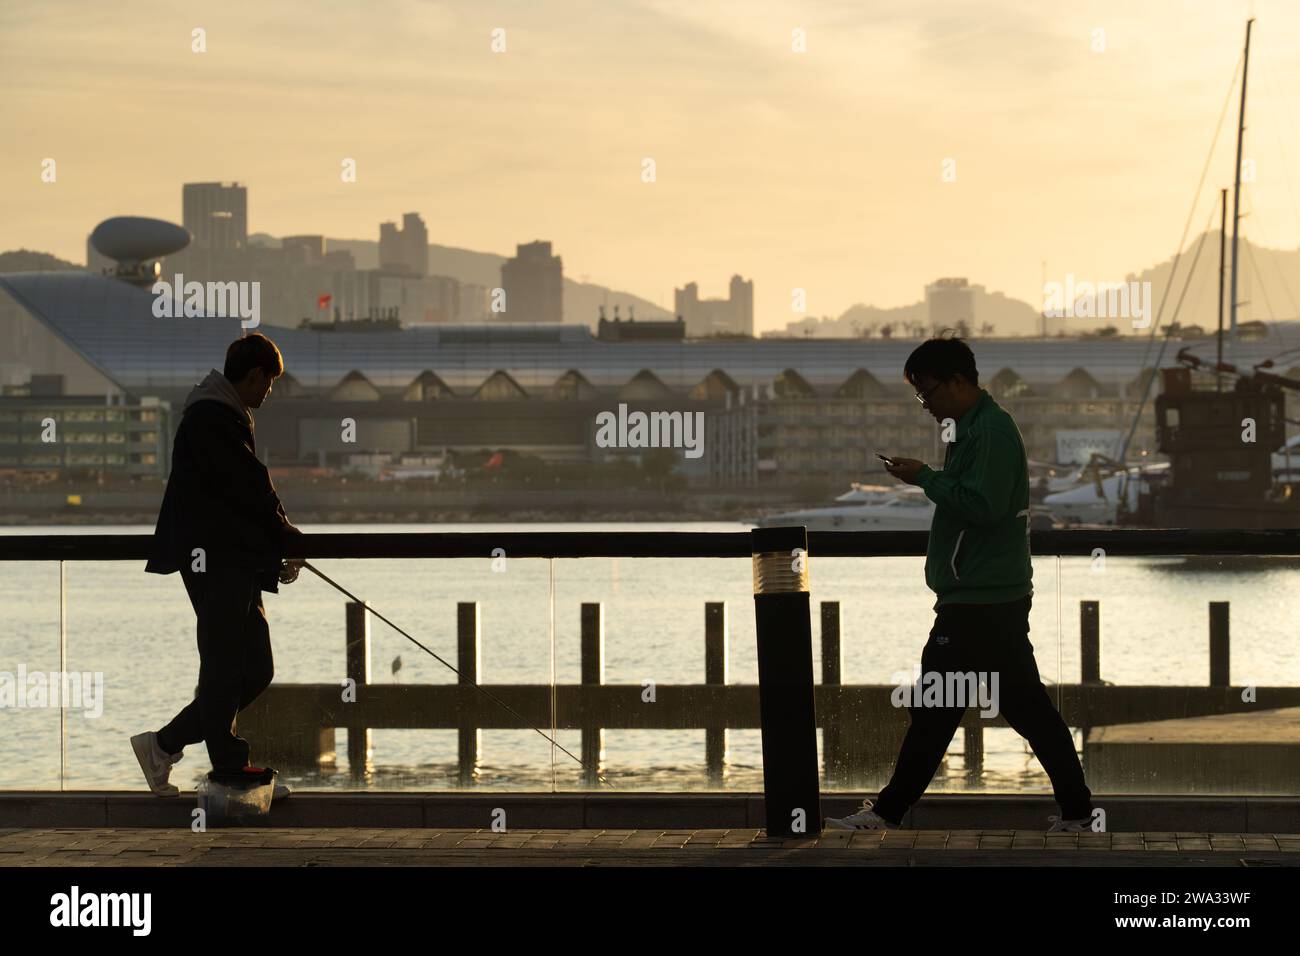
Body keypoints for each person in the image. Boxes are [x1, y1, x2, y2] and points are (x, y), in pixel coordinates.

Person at [826, 337, 1094, 833]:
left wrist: (926, 477)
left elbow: (985, 508)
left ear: (959, 381)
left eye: (928, 392)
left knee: (938, 709)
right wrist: (929, 477)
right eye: (920, 396)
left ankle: (885, 814)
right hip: (989, 594)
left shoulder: (989, 432)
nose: (925, 404)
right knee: (1024, 710)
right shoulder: (971, 429)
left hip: (980, 599)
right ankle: (1079, 813)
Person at [132, 333, 304, 798]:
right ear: (253, 375)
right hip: (217, 564)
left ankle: (163, 746)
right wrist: (284, 536)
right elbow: (248, 489)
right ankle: (230, 770)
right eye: (268, 383)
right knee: (227, 666)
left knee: (250, 667)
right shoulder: (213, 417)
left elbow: (243, 492)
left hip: (229, 562)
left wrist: (275, 544)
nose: (269, 392)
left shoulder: (219, 413)